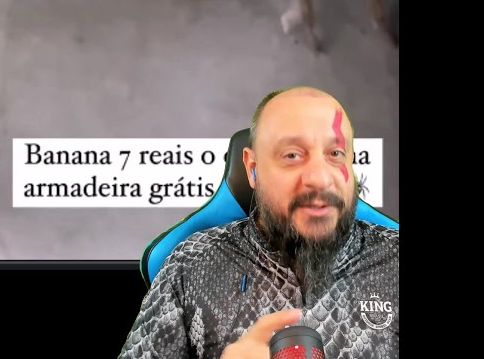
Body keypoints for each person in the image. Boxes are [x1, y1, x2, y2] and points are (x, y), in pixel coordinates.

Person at [118, 87, 399, 358]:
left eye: (335, 154)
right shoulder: (191, 264)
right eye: (292, 155)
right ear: (253, 169)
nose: (321, 178)